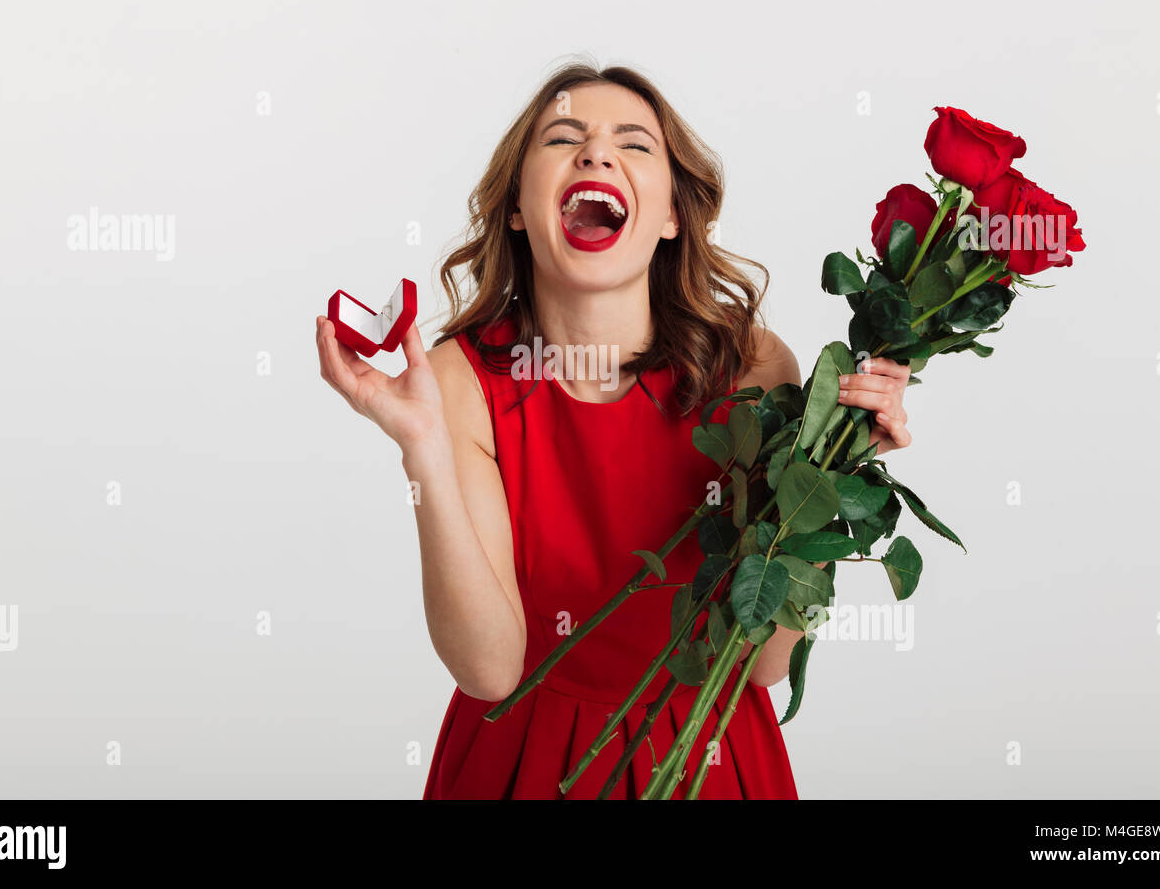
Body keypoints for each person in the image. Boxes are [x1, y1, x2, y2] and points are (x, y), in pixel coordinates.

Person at [315, 59, 912, 799]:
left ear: (670, 216)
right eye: (563, 138)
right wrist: (423, 448)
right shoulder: (458, 382)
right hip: (522, 768)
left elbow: (764, 663)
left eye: (634, 145)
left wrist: (833, 471)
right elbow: (489, 669)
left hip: (713, 761)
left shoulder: (753, 365)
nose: (597, 151)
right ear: (516, 209)